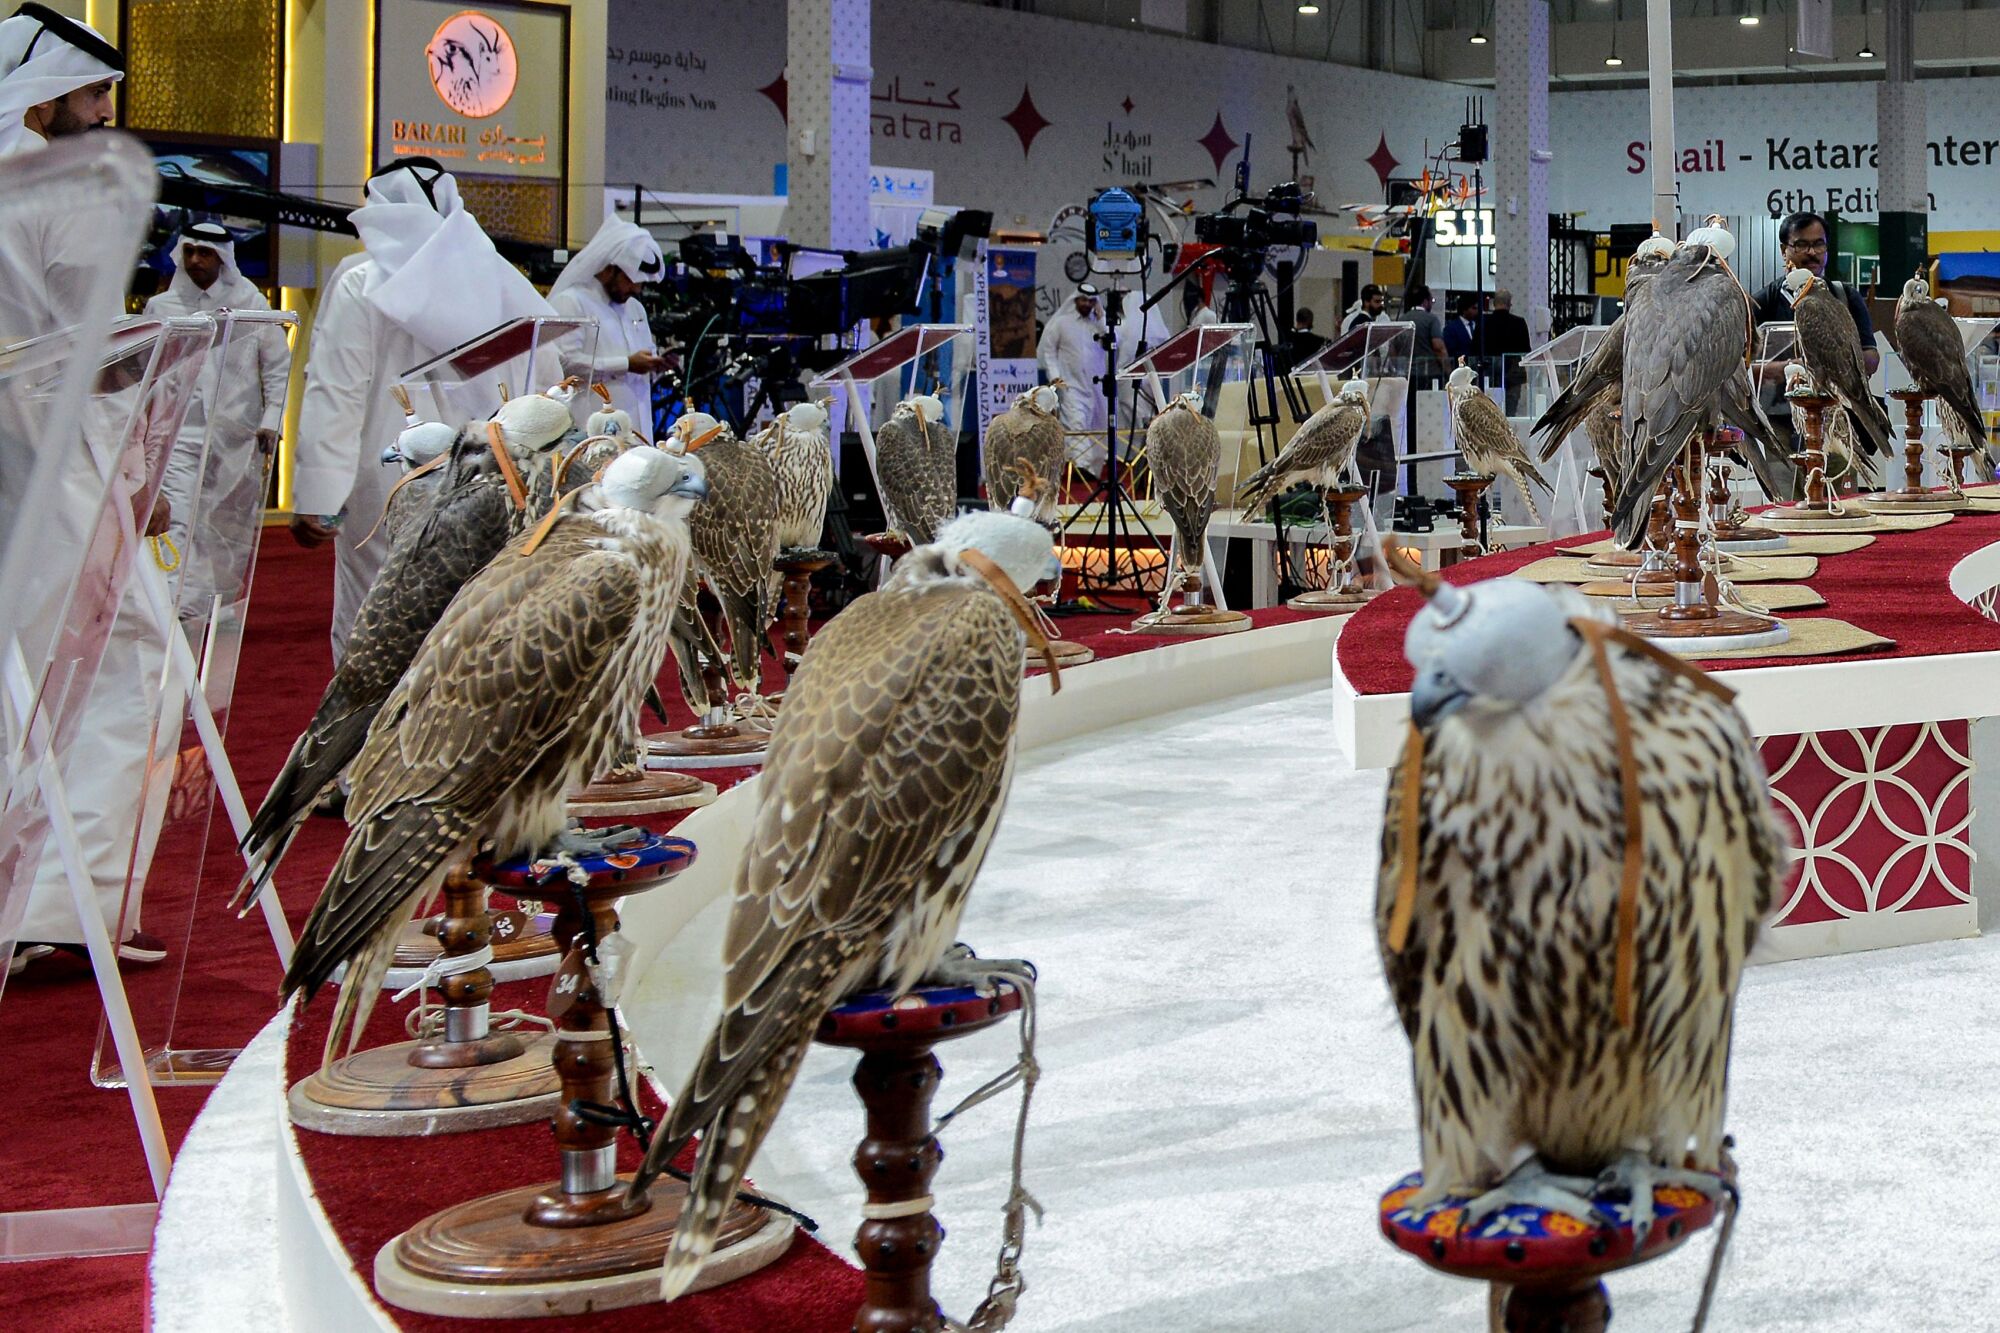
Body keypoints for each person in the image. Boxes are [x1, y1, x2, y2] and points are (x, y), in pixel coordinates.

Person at [0, 7, 172, 967]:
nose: (107, 112)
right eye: (94, 94)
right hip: (61, 461)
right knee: (115, 658)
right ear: (39, 105)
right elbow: (96, 355)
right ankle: (64, 908)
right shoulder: (61, 197)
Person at [291, 157, 553, 663]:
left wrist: (319, 492)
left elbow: (336, 391)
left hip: (389, 484)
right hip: (485, 480)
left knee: (377, 623)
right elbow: (541, 380)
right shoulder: (497, 275)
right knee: (468, 624)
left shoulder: (359, 280)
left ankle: (373, 739)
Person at [142, 222, 291, 633]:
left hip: (235, 435)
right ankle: (174, 604)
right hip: (176, 436)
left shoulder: (251, 304)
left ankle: (210, 600)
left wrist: (272, 419)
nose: (195, 260)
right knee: (178, 517)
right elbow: (147, 377)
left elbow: (277, 367)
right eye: (188, 251)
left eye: (204, 253)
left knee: (222, 523)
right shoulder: (163, 308)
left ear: (222, 258)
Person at [1752, 210, 1879, 446]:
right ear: (1784, 250)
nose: (1811, 253)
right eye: (1801, 245)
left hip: (1836, 420)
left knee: (1833, 480)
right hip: (1777, 422)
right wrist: (1783, 369)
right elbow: (1737, 365)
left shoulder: (1845, 296)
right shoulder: (1764, 300)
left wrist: (1839, 363)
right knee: (1784, 482)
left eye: (1818, 245)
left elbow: (1871, 357)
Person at [547, 216, 668, 442]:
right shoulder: (571, 302)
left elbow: (643, 357)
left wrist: (656, 364)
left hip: (638, 430)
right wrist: (627, 364)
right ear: (609, 269)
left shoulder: (635, 308)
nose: (636, 289)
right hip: (592, 433)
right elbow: (564, 366)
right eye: (631, 280)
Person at [1037, 283, 1110, 470]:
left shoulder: (1098, 324)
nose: (1086, 304)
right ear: (1076, 300)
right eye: (1083, 300)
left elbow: (1112, 342)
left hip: (1096, 388)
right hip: (1071, 387)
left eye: (1091, 301)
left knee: (1098, 427)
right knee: (1076, 426)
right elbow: (1048, 350)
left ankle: (1091, 470)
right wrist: (1055, 377)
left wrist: (1102, 319)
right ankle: (1081, 471)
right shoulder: (1062, 323)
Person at [1484, 289, 1533, 413]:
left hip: (1490, 371)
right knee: (1510, 410)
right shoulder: (1519, 323)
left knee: (1490, 409)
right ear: (1509, 304)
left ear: (1494, 303)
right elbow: (1526, 349)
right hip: (1513, 372)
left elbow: (1475, 349)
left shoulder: (1484, 323)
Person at [1442, 292, 1481, 366]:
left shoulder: (1479, 326)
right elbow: (1450, 351)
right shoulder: (1451, 328)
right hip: (1459, 367)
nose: (1477, 311)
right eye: (1474, 308)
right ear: (1464, 309)